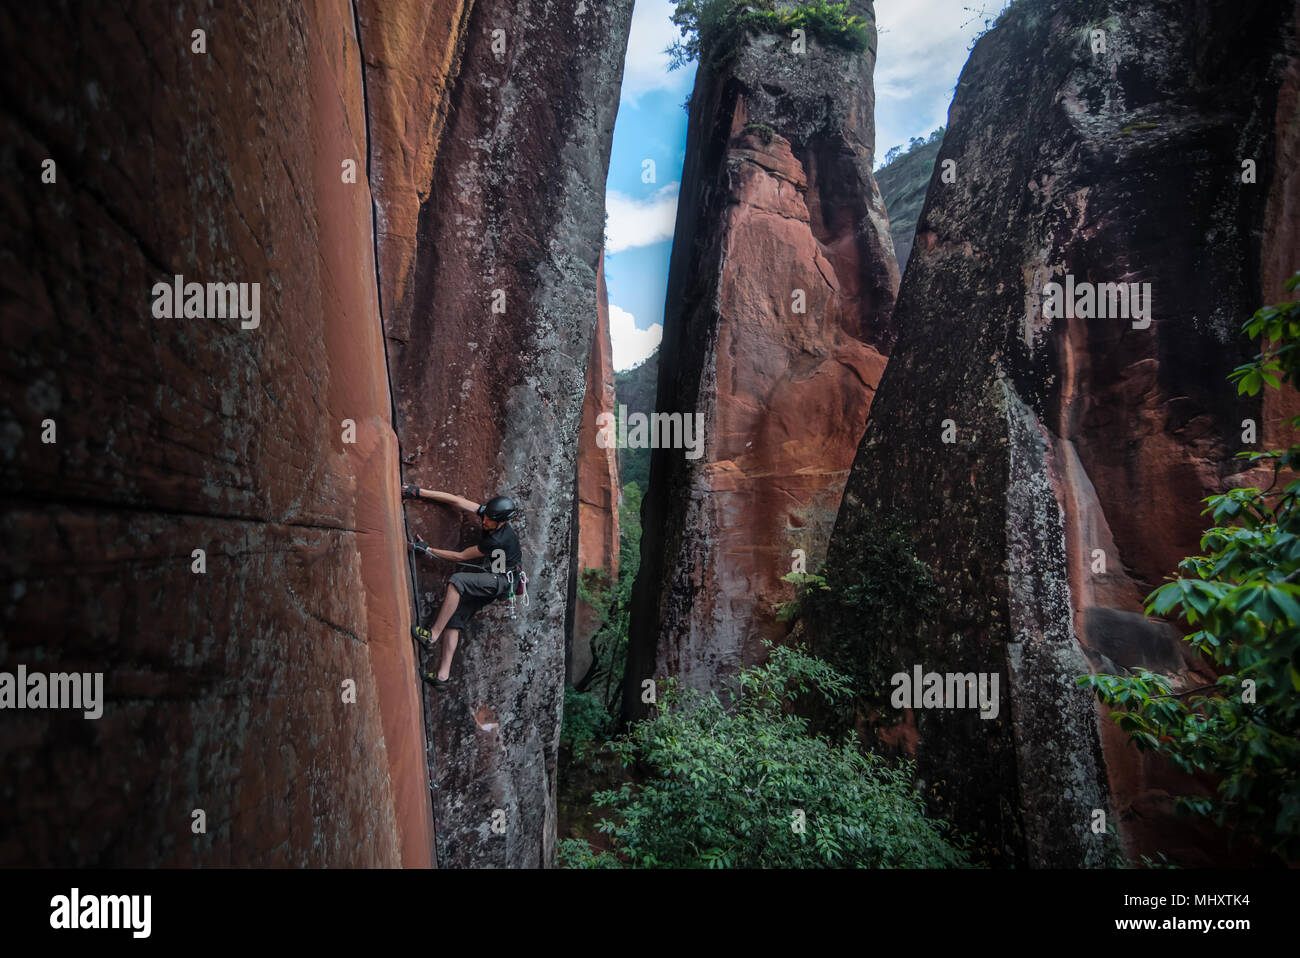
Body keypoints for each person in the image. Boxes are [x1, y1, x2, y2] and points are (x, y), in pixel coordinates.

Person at [403, 487, 523, 687]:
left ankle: (431, 635)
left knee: (458, 582)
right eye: (485, 517)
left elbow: (461, 557)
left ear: (501, 522)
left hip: (502, 581)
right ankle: (443, 676)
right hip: (495, 577)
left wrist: (429, 550)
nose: (484, 522)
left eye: (489, 521)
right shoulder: (489, 515)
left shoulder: (497, 540)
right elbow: (457, 500)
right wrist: (418, 492)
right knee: (455, 619)